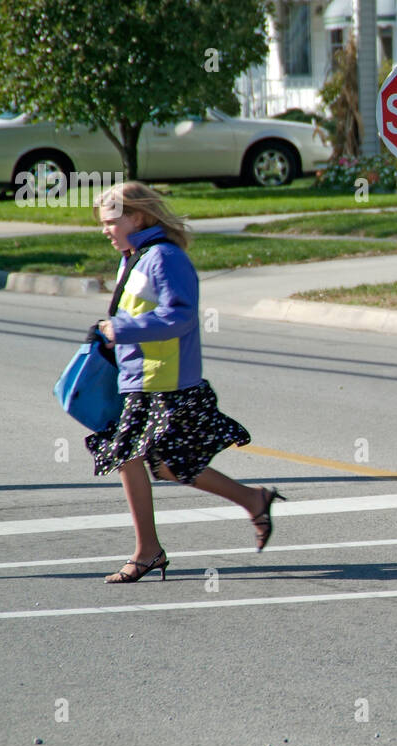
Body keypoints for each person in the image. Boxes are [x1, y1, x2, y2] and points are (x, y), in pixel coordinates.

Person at [86, 181, 284, 582]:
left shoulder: (164, 258)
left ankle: (147, 550)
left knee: (131, 457)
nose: (105, 229)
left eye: (111, 221)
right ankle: (253, 499)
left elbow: (181, 317)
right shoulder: (135, 257)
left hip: (167, 380)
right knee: (169, 464)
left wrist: (119, 330)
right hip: (141, 378)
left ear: (138, 217)